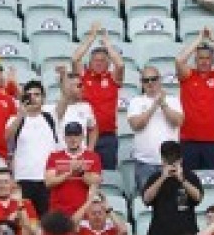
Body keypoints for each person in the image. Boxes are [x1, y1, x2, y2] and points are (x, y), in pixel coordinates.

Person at [175, 28, 214, 174]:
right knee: (189, 181)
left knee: (212, 181)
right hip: (189, 140)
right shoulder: (188, 76)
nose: (204, 61)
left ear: (213, 60)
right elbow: (179, 60)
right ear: (195, 60)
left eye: (207, 58)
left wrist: (213, 39)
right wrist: (199, 38)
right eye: (200, 58)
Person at [71, 25, 125, 170]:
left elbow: (120, 64)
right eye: (95, 60)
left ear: (108, 63)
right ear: (90, 62)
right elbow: (75, 59)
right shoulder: (84, 76)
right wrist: (92, 37)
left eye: (102, 60)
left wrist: (106, 43)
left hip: (108, 137)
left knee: (107, 176)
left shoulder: (112, 78)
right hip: (85, 135)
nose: (99, 63)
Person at [142, 141, 203, 235]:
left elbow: (198, 197)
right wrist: (162, 178)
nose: (171, 164)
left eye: (174, 161)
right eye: (167, 160)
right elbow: (146, 199)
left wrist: (182, 180)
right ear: (162, 160)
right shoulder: (155, 177)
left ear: (180, 160)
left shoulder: (190, 176)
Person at [7, 81, 61, 217]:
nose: (33, 98)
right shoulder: (15, 119)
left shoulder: (51, 117)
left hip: (47, 180)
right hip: (23, 179)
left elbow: (67, 96)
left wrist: (63, 76)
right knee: (23, 221)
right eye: (29, 95)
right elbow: (7, 137)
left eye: (37, 95)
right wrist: (20, 115)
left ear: (43, 98)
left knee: (46, 221)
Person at [127, 66, 183, 191]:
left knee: (171, 200)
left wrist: (163, 104)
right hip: (145, 162)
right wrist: (154, 106)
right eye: (146, 80)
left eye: (153, 79)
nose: (150, 83)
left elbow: (178, 121)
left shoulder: (173, 100)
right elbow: (136, 125)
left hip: (171, 162)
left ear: (160, 80)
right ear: (141, 83)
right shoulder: (135, 101)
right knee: (146, 202)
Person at [44, 121, 102, 218]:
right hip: (58, 213)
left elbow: (95, 182)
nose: (73, 139)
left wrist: (81, 172)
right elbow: (49, 182)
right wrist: (70, 173)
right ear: (64, 137)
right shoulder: (54, 156)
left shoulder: (93, 157)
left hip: (83, 212)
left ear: (82, 136)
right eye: (69, 135)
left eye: (76, 135)